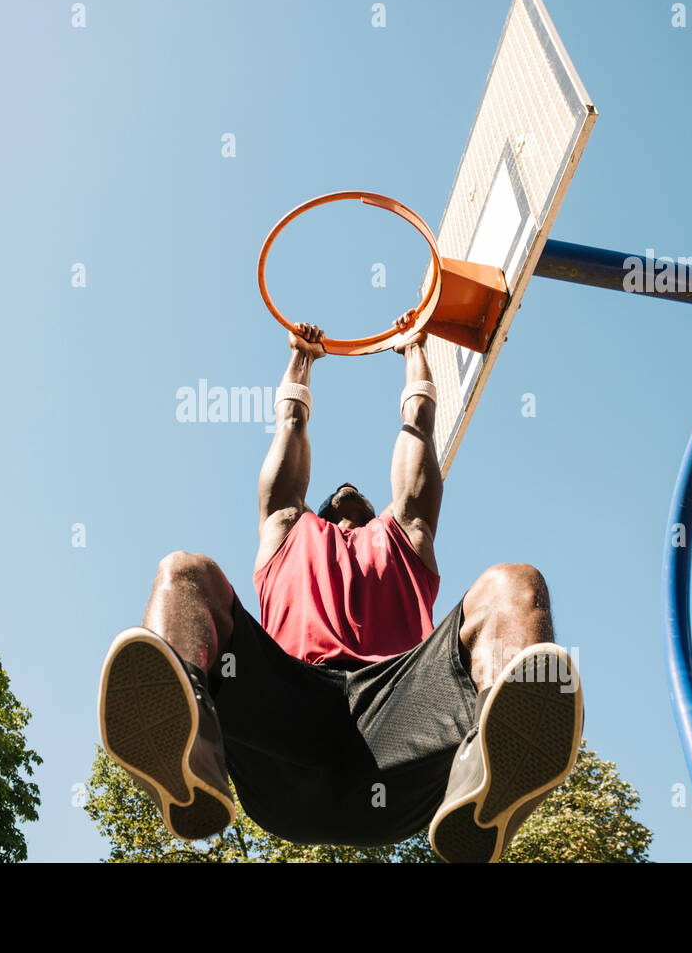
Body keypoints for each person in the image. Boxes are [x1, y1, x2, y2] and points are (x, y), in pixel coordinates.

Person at [97, 311, 584, 861]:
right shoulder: (289, 529)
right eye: (337, 494)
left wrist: (413, 353)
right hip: (288, 719)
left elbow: (420, 426)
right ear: (319, 508)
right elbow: (290, 430)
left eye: (362, 497)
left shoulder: (406, 538)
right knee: (183, 572)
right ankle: (191, 756)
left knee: (514, 584)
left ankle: (491, 773)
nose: (349, 491)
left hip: (400, 725)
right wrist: (301, 362)